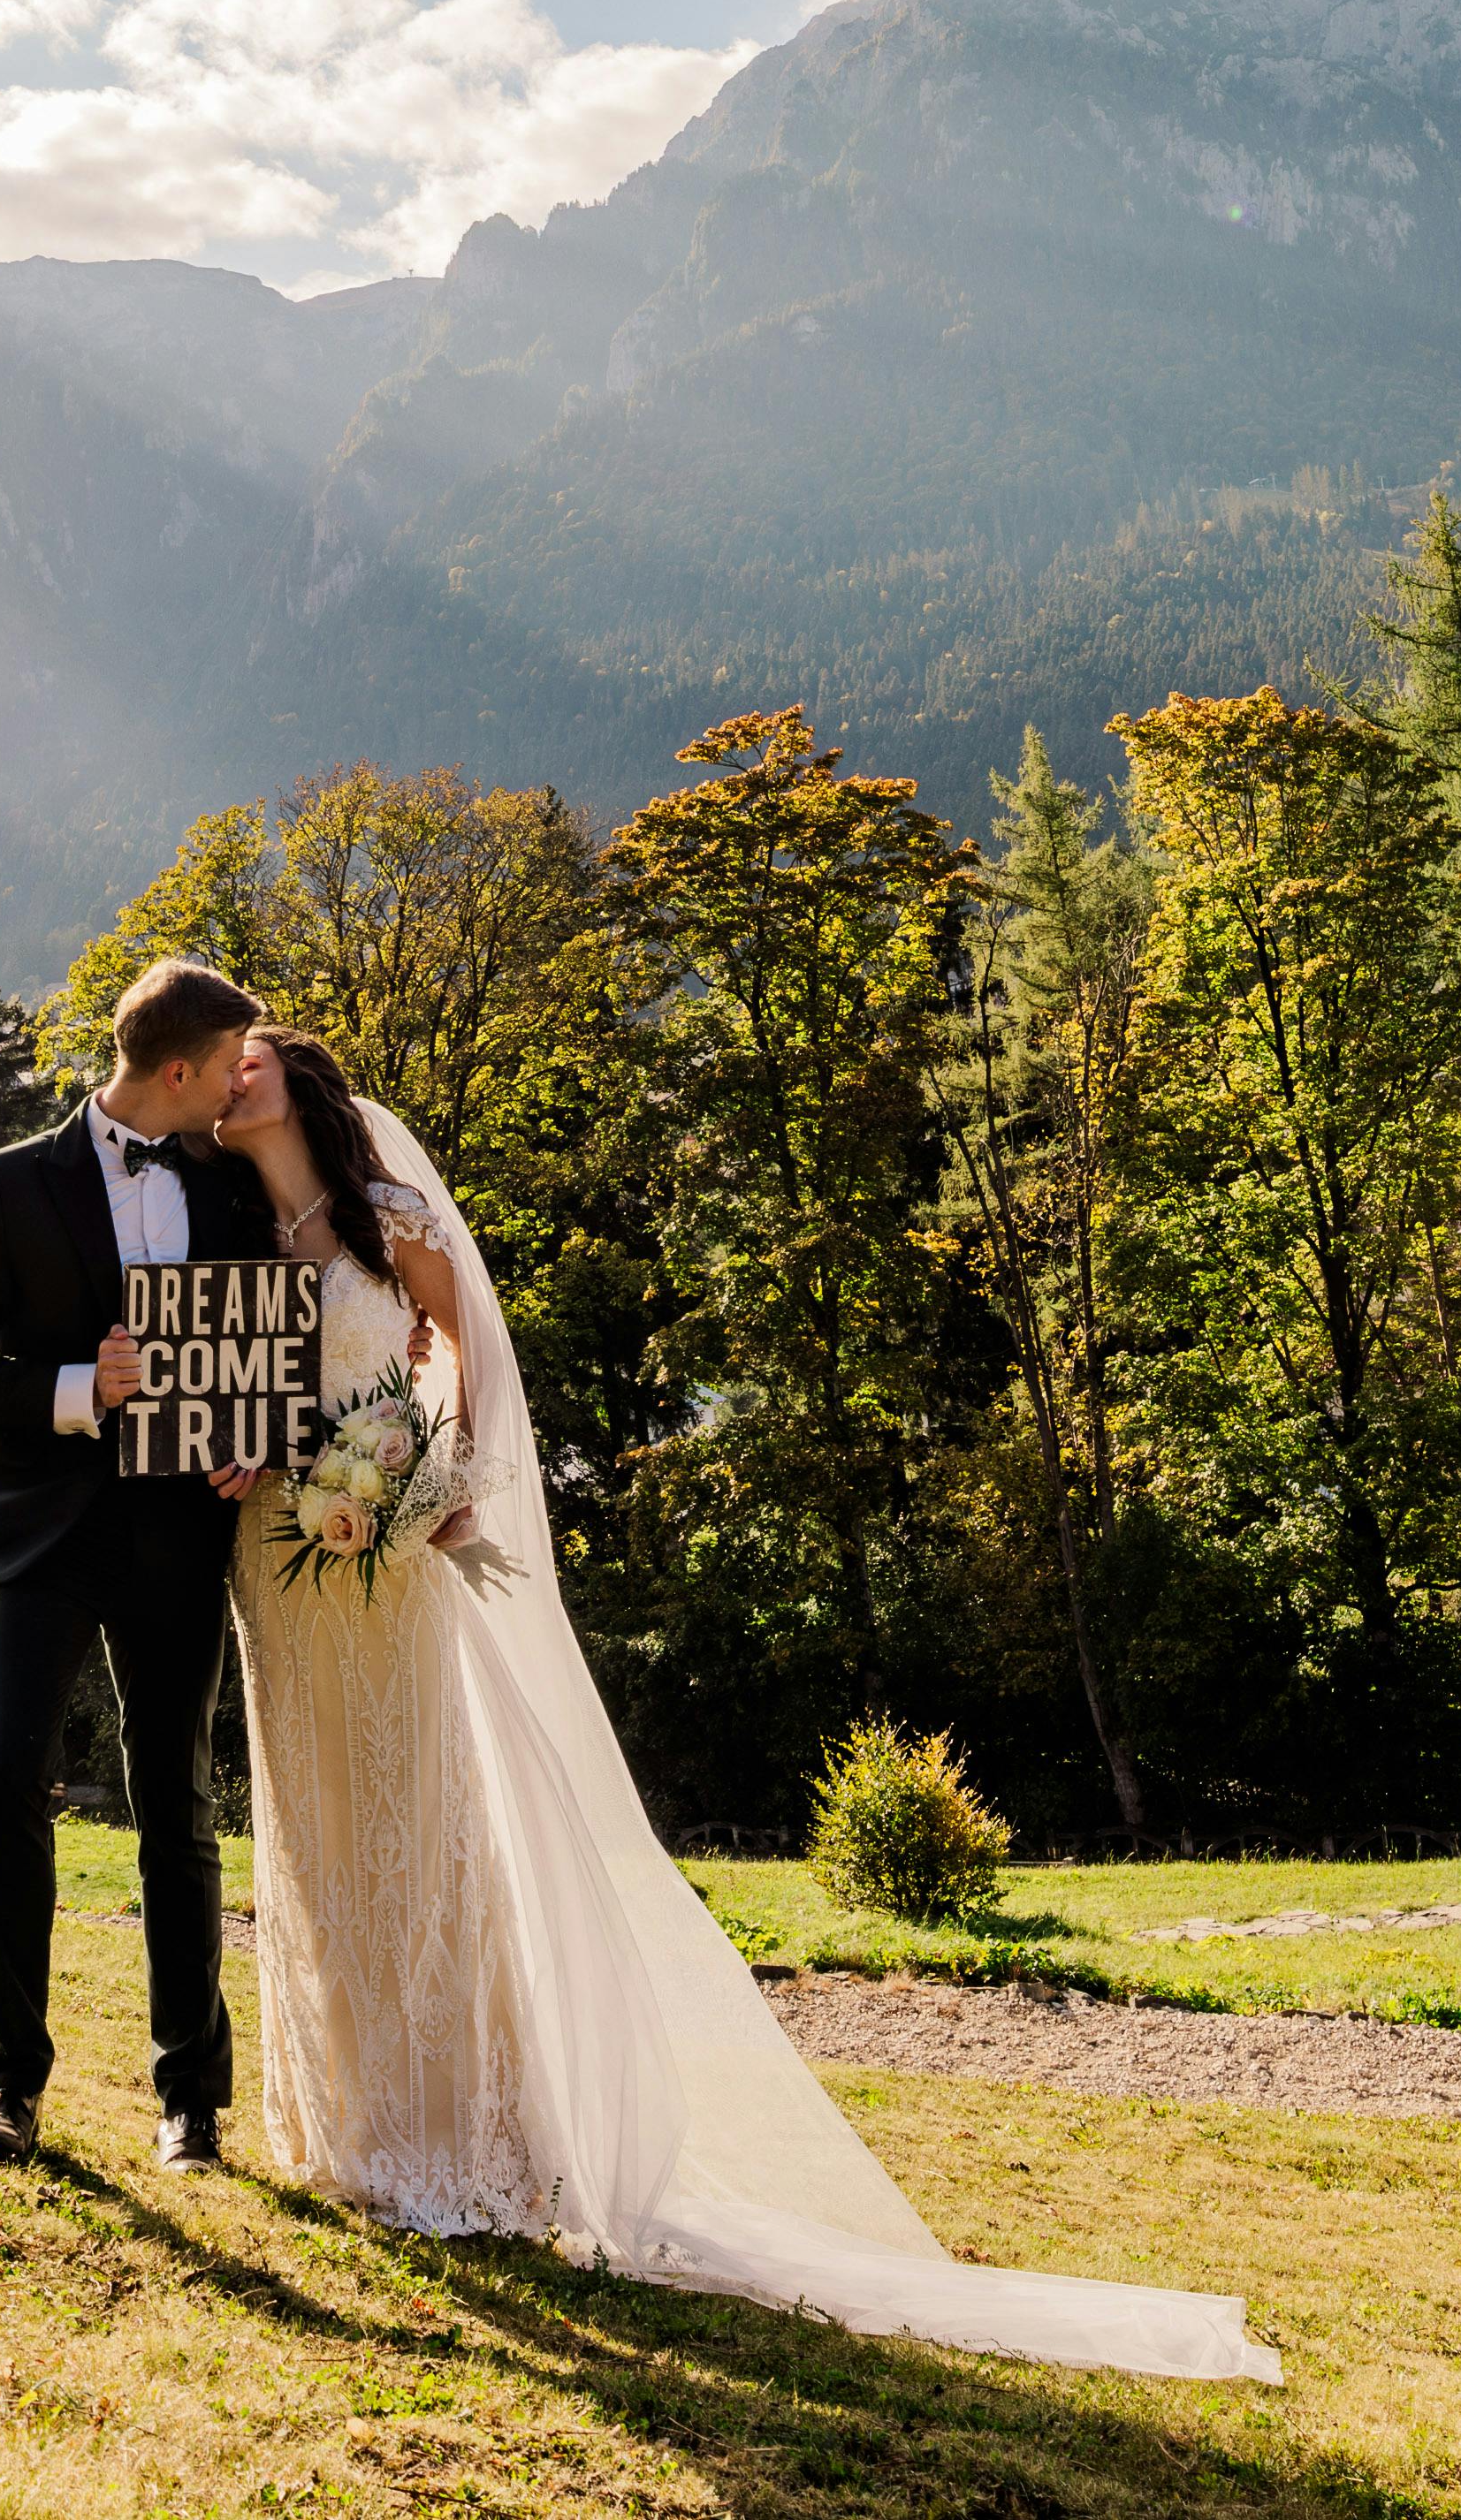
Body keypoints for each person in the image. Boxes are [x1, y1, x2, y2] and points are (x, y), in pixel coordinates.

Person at [198, 1018, 1275, 2383]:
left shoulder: (387, 1218)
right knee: (320, 1828)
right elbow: (235, 1394)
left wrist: (424, 1477)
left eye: (247, 1063)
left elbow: (464, 1360)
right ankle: (349, 2129)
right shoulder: (229, 1236)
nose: (227, 1079)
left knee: (423, 1830)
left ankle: (459, 2142)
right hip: (279, 1574)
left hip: (389, 1561)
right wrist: (249, 1457)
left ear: (298, 1083)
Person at [0, 954, 276, 2169]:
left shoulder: (232, 1190)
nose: (238, 1083)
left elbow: (282, 1346)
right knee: (2, 1780)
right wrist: (79, 1389)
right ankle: (10, 2086)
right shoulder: (3, 1186)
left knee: (176, 1803)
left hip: (180, 1536)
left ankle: (191, 2104)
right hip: (37, 1538)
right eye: (228, 1065)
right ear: (176, 1070)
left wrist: (257, 1439)